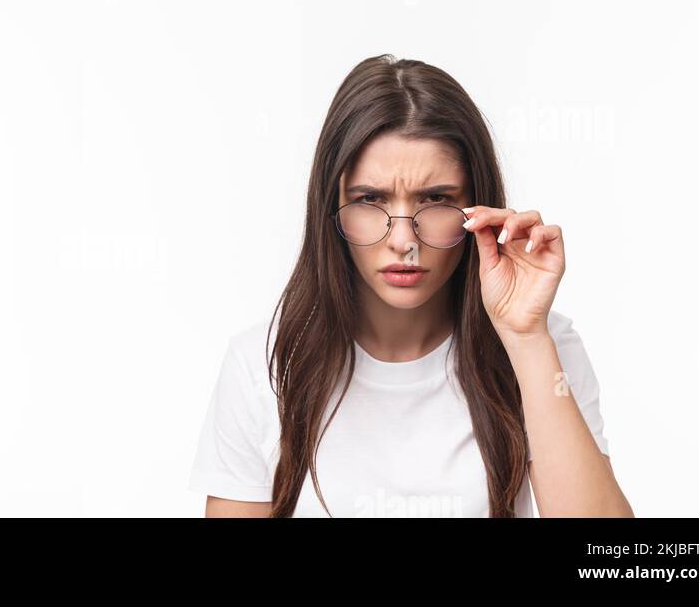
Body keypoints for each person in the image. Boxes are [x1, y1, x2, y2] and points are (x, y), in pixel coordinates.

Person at [187, 54, 634, 518]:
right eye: (370, 199)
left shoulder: (544, 344)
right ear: (331, 207)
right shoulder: (264, 363)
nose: (403, 240)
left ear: (477, 207)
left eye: (436, 199)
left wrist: (526, 338)